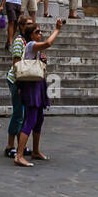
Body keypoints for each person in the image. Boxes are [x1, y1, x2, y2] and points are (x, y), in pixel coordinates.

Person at [15, 18, 64, 167]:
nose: (40, 34)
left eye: (40, 32)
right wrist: (57, 29)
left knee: (39, 118)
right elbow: (49, 43)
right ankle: (19, 155)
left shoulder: (35, 49)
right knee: (30, 119)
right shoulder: (31, 45)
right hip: (31, 86)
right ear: (31, 35)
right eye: (37, 32)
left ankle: (35, 151)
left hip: (38, 84)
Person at [4, 14, 33, 158]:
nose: (30, 26)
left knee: (24, 113)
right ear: (21, 27)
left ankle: (21, 144)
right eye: (28, 24)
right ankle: (10, 145)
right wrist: (20, 83)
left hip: (25, 80)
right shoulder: (19, 41)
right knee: (18, 113)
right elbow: (16, 64)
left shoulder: (29, 41)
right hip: (16, 80)